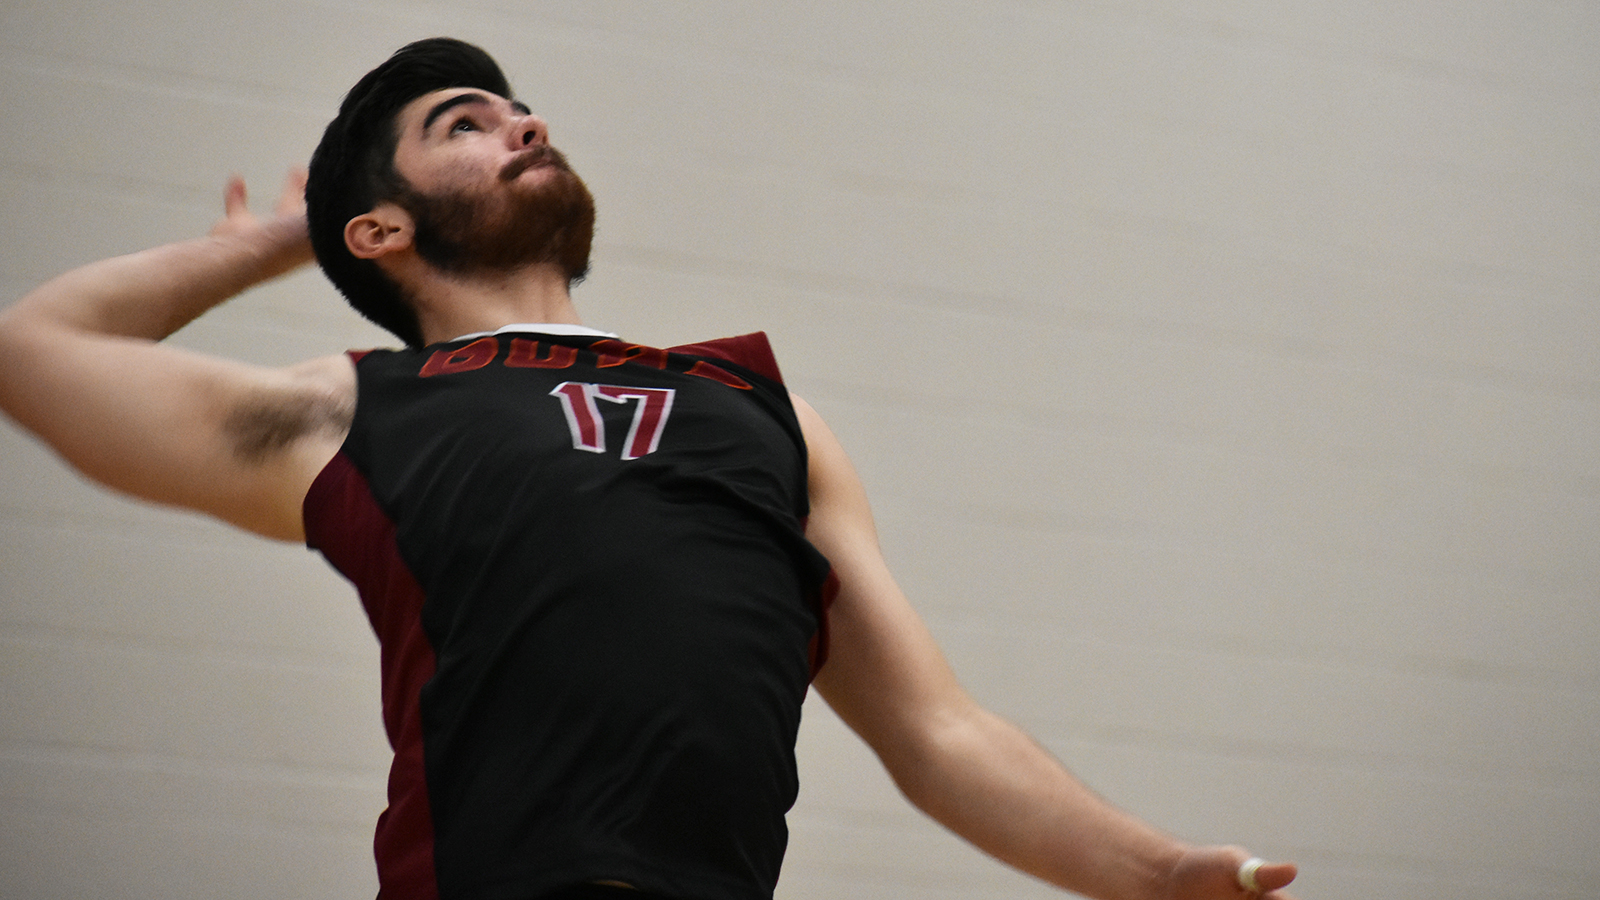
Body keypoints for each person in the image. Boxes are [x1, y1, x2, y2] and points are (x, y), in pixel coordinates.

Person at [0, 37, 1299, 900]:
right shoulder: (353, 412)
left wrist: (1153, 874)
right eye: (465, 123)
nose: (522, 123)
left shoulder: (767, 415)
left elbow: (936, 730)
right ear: (381, 227)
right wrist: (284, 239)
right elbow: (35, 353)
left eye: (519, 109)